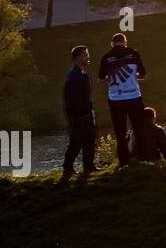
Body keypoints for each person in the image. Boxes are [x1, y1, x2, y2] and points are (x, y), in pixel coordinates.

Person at [97, 32, 150, 168]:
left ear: (112, 44)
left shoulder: (106, 57)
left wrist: (110, 77)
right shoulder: (133, 54)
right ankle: (144, 159)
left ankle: (124, 163)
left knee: (120, 132)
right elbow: (143, 75)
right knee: (139, 129)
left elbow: (101, 79)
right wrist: (132, 77)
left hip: (116, 99)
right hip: (134, 97)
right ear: (125, 42)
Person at [62, 45, 98, 180]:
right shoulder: (76, 76)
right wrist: (82, 112)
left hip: (79, 113)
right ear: (77, 57)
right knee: (83, 140)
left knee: (80, 141)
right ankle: (81, 167)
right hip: (81, 114)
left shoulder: (76, 74)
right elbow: (74, 97)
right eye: (85, 55)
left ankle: (73, 167)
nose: (88, 57)